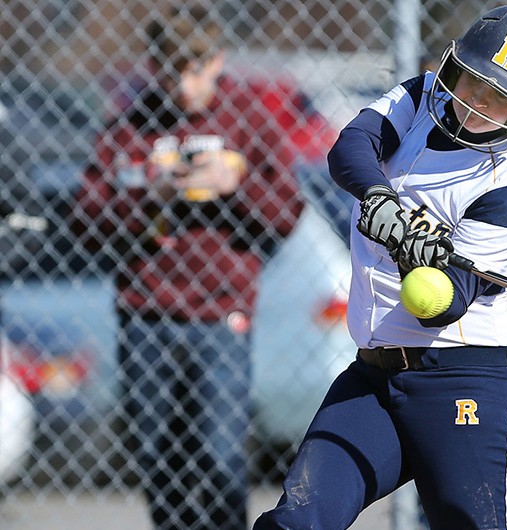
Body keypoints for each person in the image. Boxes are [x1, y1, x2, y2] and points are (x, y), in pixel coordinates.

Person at [252, 6, 507, 530]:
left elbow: (443, 306)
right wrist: (382, 200)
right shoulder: (422, 97)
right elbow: (350, 148)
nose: (478, 102)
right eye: (473, 80)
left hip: (466, 379)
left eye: (501, 98)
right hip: (375, 374)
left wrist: (409, 251)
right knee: (297, 521)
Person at [70, 7, 303, 530]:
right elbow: (85, 217)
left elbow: (289, 212)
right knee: (160, 465)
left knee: (220, 460)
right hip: (146, 315)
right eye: (170, 69)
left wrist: (233, 185)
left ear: (217, 61)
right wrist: (146, 196)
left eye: (194, 70)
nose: (182, 85)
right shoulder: (131, 123)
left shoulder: (245, 116)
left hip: (220, 315)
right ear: (153, 65)